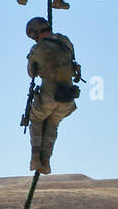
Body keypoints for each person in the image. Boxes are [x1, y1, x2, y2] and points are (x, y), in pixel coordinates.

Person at [24, 16, 80, 174]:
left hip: (49, 95)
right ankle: (46, 161)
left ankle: (36, 158)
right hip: (67, 97)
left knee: (36, 120)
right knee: (53, 125)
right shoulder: (65, 42)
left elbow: (31, 72)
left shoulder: (38, 49)